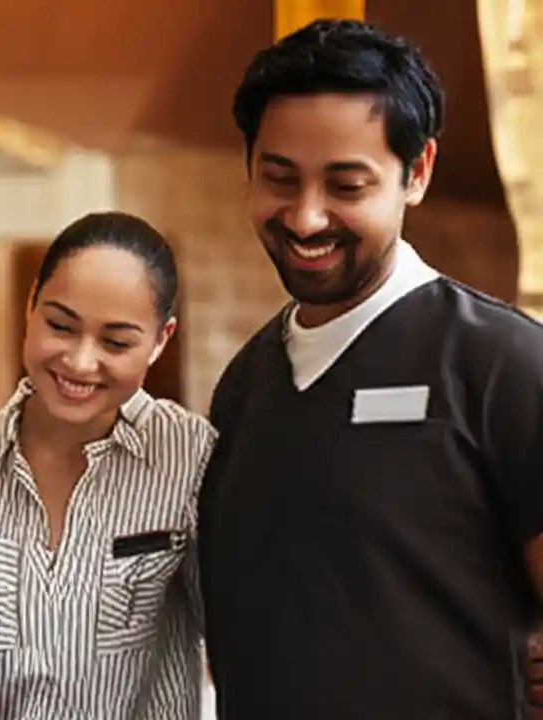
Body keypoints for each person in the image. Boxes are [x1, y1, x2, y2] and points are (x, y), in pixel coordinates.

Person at [199, 18, 543, 719]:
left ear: (417, 173)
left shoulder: (501, 363)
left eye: (346, 186)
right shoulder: (244, 384)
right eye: (279, 179)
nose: (305, 217)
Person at [0, 212, 213, 720]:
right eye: (60, 325)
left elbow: (245, 637)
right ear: (31, 305)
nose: (79, 361)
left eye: (116, 343)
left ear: (161, 340)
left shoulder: (190, 454)